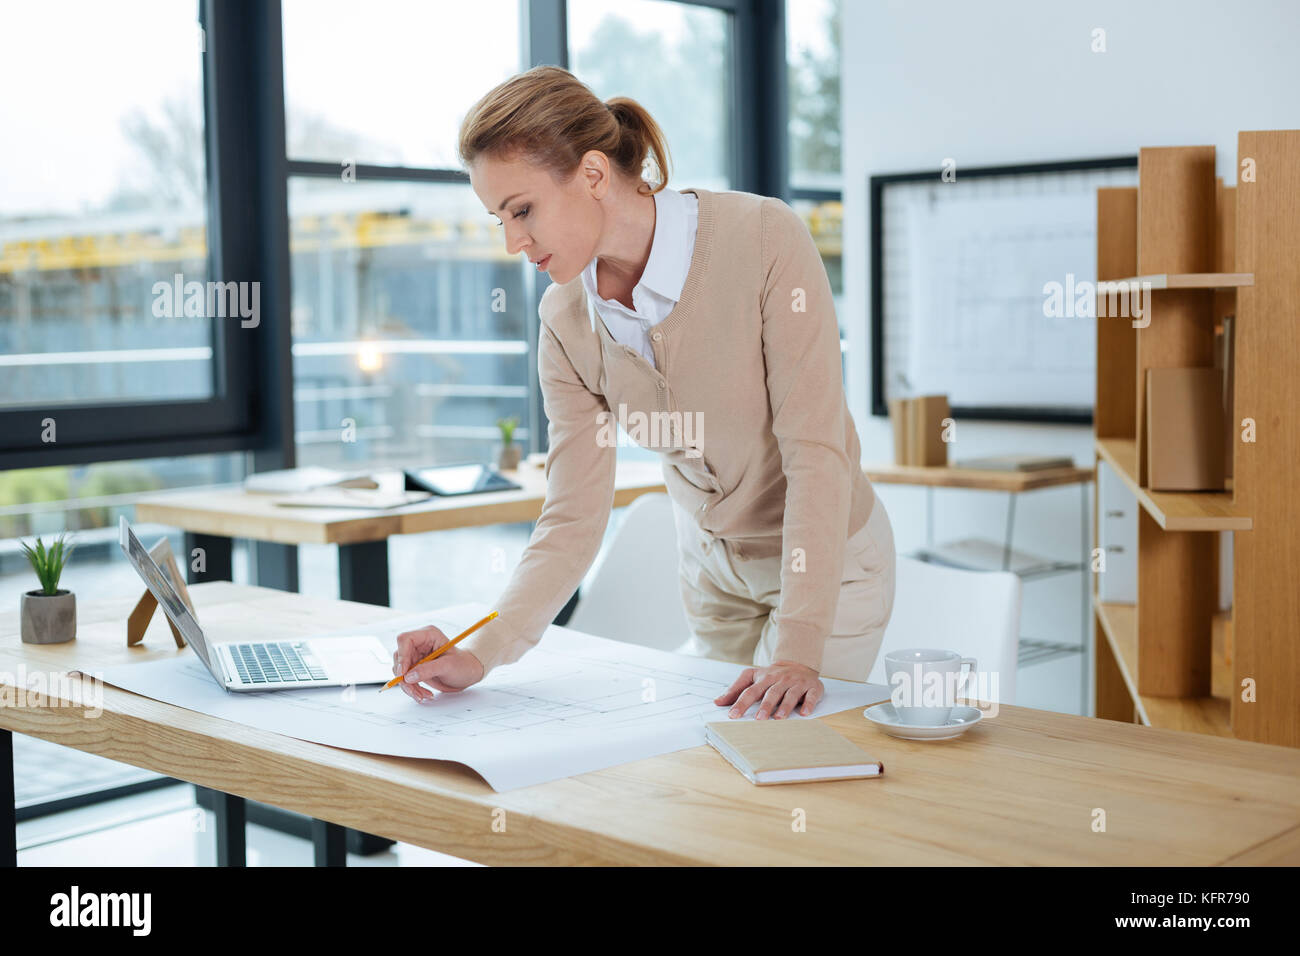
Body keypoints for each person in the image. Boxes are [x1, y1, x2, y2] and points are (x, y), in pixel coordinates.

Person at [393, 66, 894, 720]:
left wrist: (798, 651)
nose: (514, 241)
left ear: (594, 175)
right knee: (705, 773)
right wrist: (480, 651)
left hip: (828, 573)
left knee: (775, 758)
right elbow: (573, 514)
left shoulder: (765, 238)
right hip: (713, 579)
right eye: (500, 220)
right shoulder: (565, 321)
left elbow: (816, 453)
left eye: (522, 210)